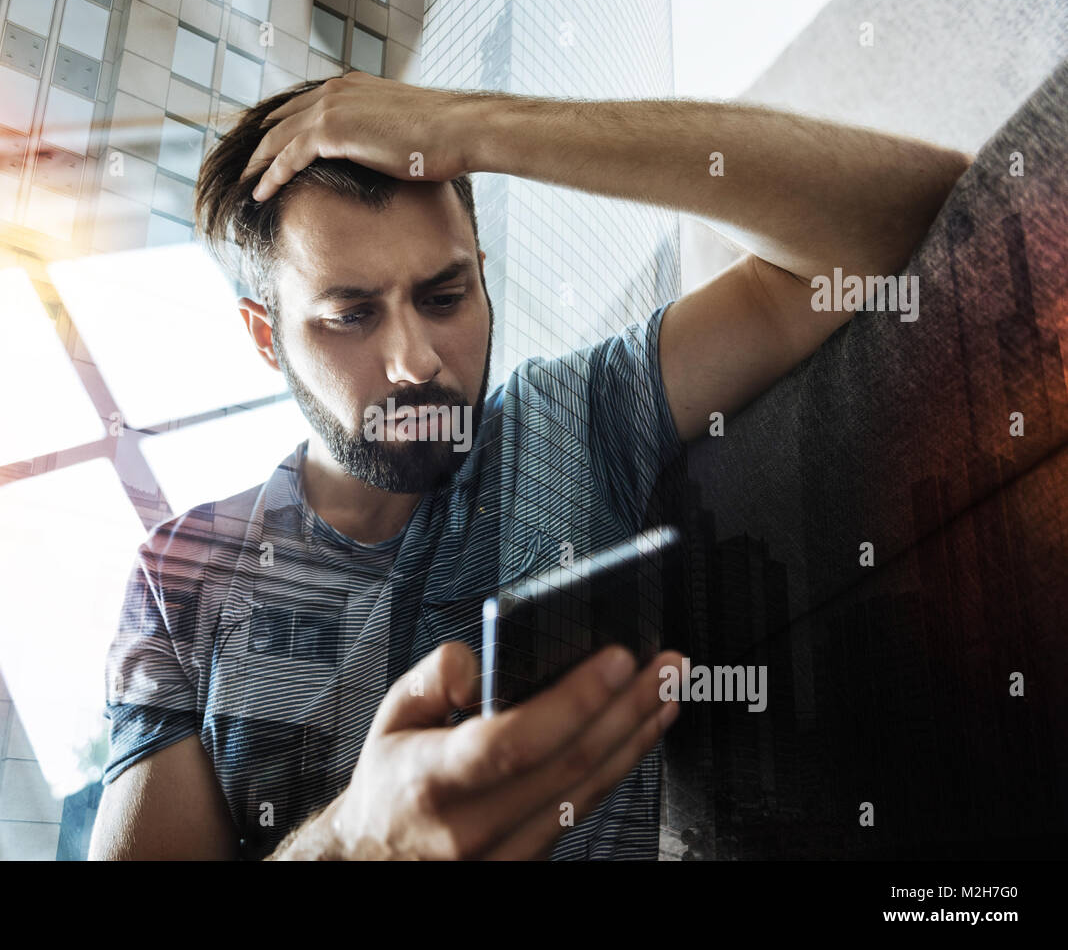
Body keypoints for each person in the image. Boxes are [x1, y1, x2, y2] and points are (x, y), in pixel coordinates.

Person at [87, 71, 971, 860]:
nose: (416, 360)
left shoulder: (567, 418)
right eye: (350, 315)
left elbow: (900, 219)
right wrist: (357, 842)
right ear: (266, 335)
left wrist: (482, 127)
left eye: (446, 295)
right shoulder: (183, 578)